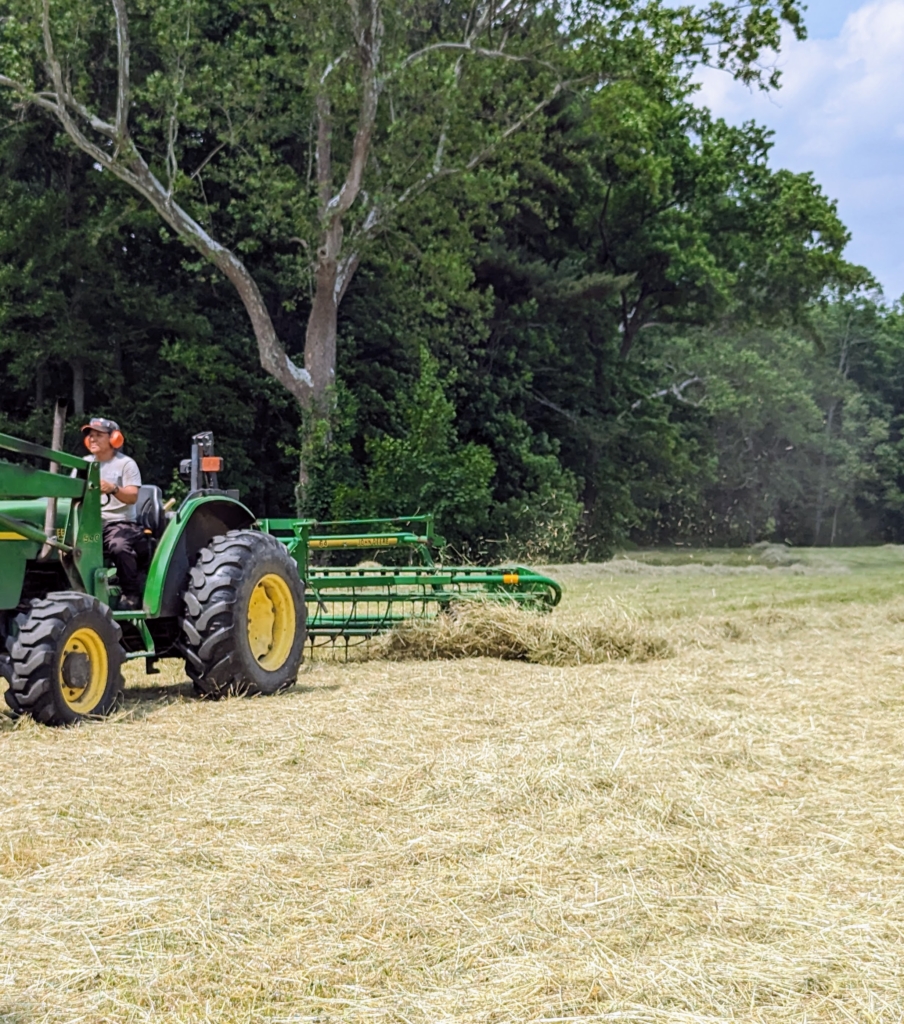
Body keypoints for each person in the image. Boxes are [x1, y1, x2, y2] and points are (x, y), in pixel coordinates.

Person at [81, 417, 146, 610]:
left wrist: (113, 489)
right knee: (59, 541)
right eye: (90, 436)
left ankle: (131, 594)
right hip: (89, 523)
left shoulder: (126, 464)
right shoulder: (82, 464)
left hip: (119, 523)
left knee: (118, 546)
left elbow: (133, 496)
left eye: (98, 435)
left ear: (114, 439)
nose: (92, 439)